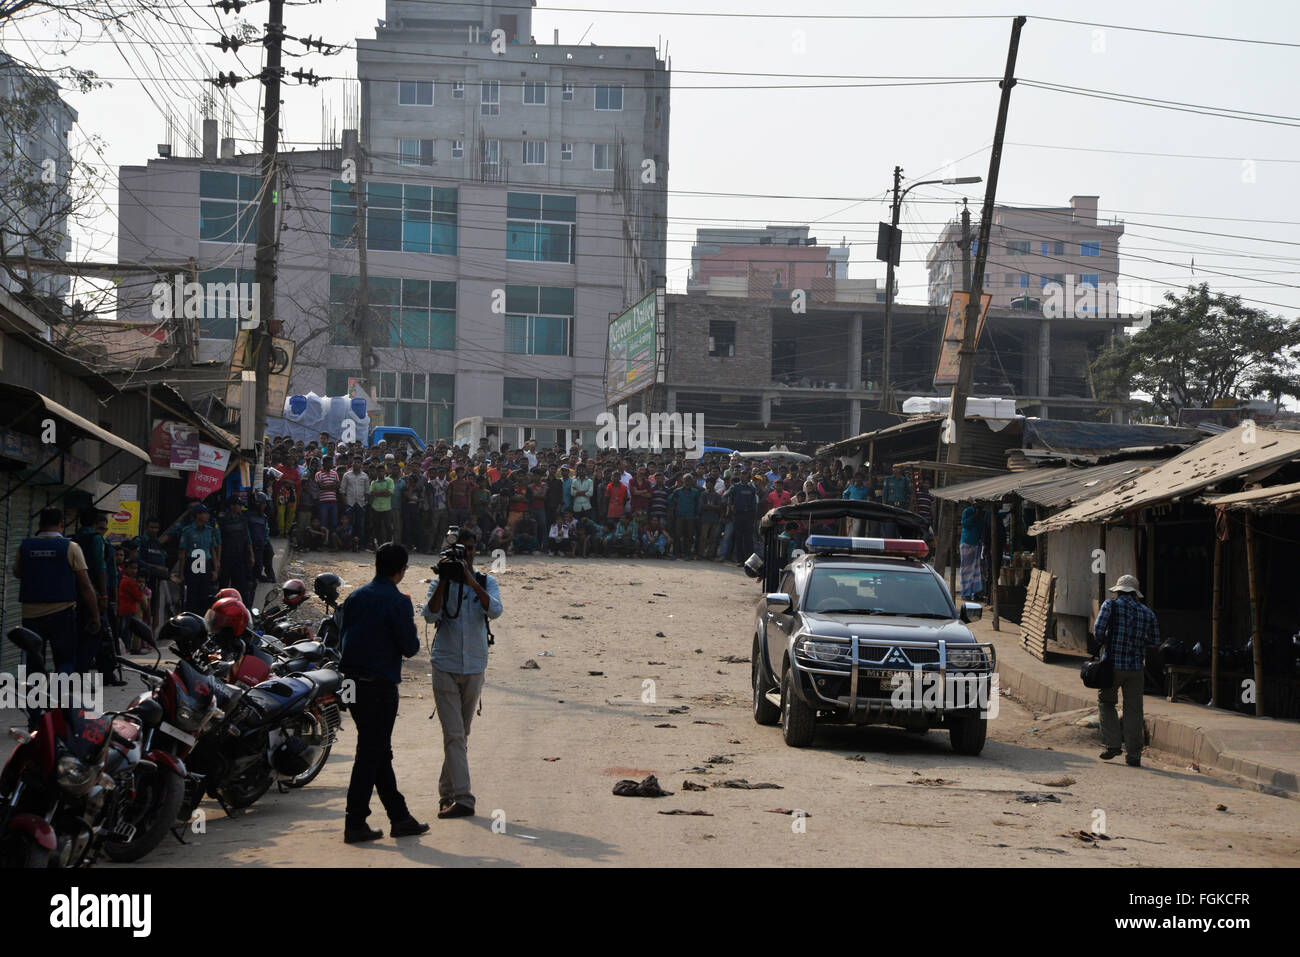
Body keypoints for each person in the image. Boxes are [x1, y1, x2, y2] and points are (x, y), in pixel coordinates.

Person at [338, 542, 428, 844]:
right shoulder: (398, 601)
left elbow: (343, 636)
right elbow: (410, 647)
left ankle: (399, 816)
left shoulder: (355, 596)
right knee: (370, 752)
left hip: (350, 683)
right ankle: (355, 821)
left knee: (376, 750)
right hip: (377, 686)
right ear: (402, 570)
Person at [422, 527, 503, 819]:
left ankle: (446, 792)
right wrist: (445, 581)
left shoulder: (486, 581)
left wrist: (470, 580)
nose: (465, 554)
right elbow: (430, 616)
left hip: (475, 665)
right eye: (460, 550)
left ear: (475, 550)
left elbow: (494, 611)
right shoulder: (439, 583)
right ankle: (464, 798)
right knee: (455, 734)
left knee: (460, 734)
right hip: (445, 664)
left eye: (470, 549)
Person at [14, 507, 102, 675]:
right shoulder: (71, 547)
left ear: (39, 524)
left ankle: (36, 699)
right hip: (62, 614)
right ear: (62, 524)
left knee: (34, 661)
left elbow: (18, 573)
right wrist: (95, 615)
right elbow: (85, 585)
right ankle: (61, 697)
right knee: (65, 660)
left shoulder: (25, 546)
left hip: (30, 615)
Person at [1093, 575, 1161, 768]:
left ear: (1119, 591)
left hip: (1112, 666)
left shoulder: (1110, 606)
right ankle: (1133, 755)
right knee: (1134, 711)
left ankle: (1113, 744)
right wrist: (1138, 641)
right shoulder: (1147, 613)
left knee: (1106, 703)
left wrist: (1110, 638)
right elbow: (1155, 641)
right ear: (1135, 593)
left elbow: (1098, 632)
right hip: (1136, 669)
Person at [179, 505, 221, 614]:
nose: (207, 516)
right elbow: (182, 553)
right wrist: (181, 573)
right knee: (192, 595)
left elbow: (213, 549)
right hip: (192, 563)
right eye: (205, 513)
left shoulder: (209, 530)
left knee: (205, 594)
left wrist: (215, 569)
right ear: (198, 515)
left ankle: (203, 618)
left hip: (205, 563)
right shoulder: (188, 531)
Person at [340, 457, 370, 551]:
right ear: (352, 463)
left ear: (361, 464)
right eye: (355, 462)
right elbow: (342, 490)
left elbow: (367, 491)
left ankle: (360, 545)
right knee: (349, 525)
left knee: (360, 525)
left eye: (358, 462)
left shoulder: (365, 476)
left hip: (361, 503)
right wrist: (345, 502)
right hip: (350, 503)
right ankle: (349, 544)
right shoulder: (347, 475)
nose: (356, 464)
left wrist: (365, 502)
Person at [959, 504, 983, 601]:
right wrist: (975, 516)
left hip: (976, 543)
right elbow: (964, 524)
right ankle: (965, 593)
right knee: (966, 570)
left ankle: (974, 592)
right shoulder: (968, 511)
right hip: (967, 542)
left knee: (975, 570)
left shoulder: (982, 512)